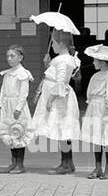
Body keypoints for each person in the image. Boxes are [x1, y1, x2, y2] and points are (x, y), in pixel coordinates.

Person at [31, 27, 81, 174]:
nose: (52, 45)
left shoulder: (62, 60)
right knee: (62, 129)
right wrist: (48, 64)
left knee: (62, 129)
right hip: (59, 96)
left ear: (61, 44)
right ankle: (67, 162)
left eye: (53, 42)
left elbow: (61, 82)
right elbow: (55, 75)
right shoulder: (64, 59)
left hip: (59, 99)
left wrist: (50, 99)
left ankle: (65, 164)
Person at [80, 45, 108, 178]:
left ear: (103, 61)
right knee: (97, 138)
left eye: (95, 60)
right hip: (94, 108)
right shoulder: (95, 76)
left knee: (106, 138)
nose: (93, 62)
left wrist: (106, 113)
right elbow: (89, 93)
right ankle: (98, 167)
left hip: (105, 109)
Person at [0, 45, 34, 174]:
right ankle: (13, 162)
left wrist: (18, 108)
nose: (9, 59)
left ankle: (20, 164)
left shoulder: (23, 74)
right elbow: (3, 90)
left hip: (17, 106)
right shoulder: (7, 74)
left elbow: (24, 93)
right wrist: (1, 104)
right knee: (9, 132)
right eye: (8, 56)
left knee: (18, 132)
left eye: (13, 56)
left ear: (20, 57)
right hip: (7, 105)